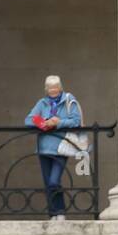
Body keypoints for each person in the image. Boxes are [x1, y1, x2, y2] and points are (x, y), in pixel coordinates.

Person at [24, 74, 82, 221]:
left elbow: (76, 121)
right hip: (43, 148)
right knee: (47, 183)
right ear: (46, 89)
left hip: (60, 147)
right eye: (50, 88)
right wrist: (43, 122)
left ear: (60, 87)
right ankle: (52, 214)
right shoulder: (42, 103)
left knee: (54, 181)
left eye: (55, 87)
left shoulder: (68, 100)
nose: (53, 90)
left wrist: (58, 122)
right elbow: (28, 120)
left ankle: (60, 211)